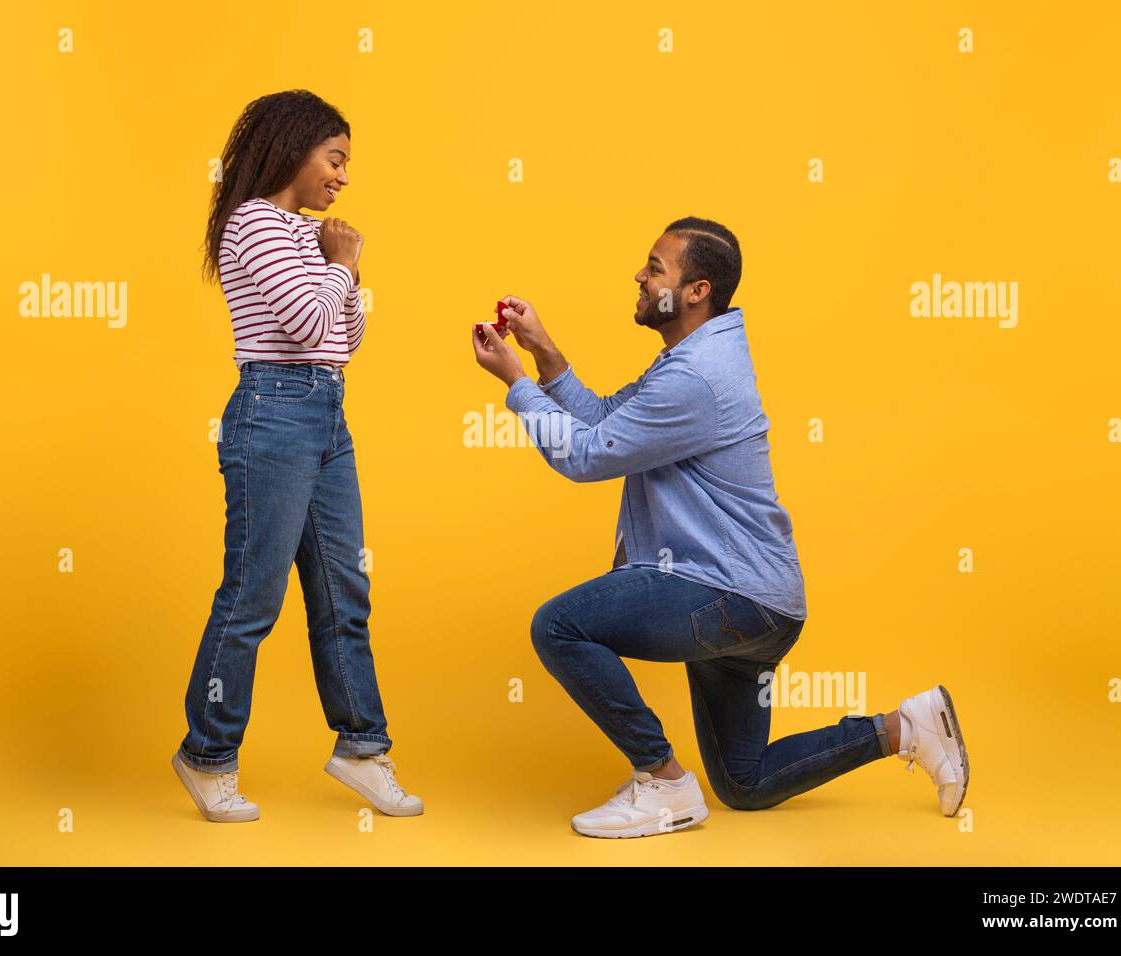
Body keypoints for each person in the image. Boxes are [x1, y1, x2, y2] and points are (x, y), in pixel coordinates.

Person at [471, 216, 968, 838]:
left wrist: (516, 384)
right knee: (745, 783)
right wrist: (542, 352)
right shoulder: (696, 358)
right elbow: (603, 420)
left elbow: (587, 455)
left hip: (725, 594)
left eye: (655, 267)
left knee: (559, 626)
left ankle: (662, 781)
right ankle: (905, 728)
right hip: (760, 607)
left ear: (696, 290)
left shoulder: (696, 378)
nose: (639, 274)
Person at [172, 89, 422, 822]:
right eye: (335, 159)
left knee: (344, 593)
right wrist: (341, 261)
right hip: (272, 415)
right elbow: (312, 322)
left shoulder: (301, 235)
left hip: (324, 413)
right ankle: (207, 754)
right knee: (253, 598)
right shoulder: (254, 223)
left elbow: (343, 344)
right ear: (293, 148)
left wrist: (339, 268)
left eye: (346, 163)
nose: (343, 177)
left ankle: (362, 748)